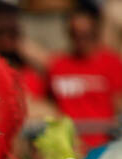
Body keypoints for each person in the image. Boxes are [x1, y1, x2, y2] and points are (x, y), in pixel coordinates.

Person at [46, 1, 122, 149]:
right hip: (66, 147)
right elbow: (50, 106)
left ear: (96, 30)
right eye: (75, 34)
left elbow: (118, 105)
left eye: (86, 35)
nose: (81, 40)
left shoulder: (111, 62)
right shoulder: (57, 65)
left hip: (103, 147)